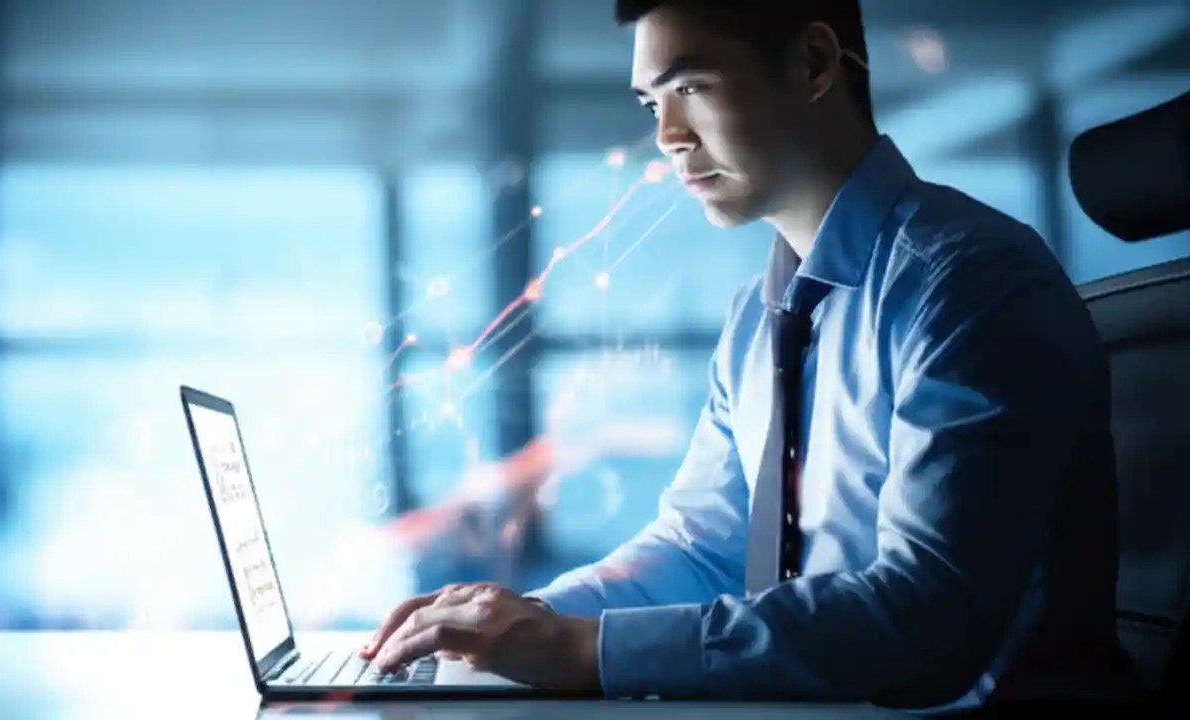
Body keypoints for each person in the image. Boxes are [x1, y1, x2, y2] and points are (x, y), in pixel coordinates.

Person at [360, 0, 1131, 709]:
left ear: (815, 64)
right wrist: (519, 622)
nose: (668, 135)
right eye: (651, 104)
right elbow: (701, 550)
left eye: (691, 87)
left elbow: (924, 617)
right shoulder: (757, 321)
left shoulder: (967, 284)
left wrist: (577, 649)